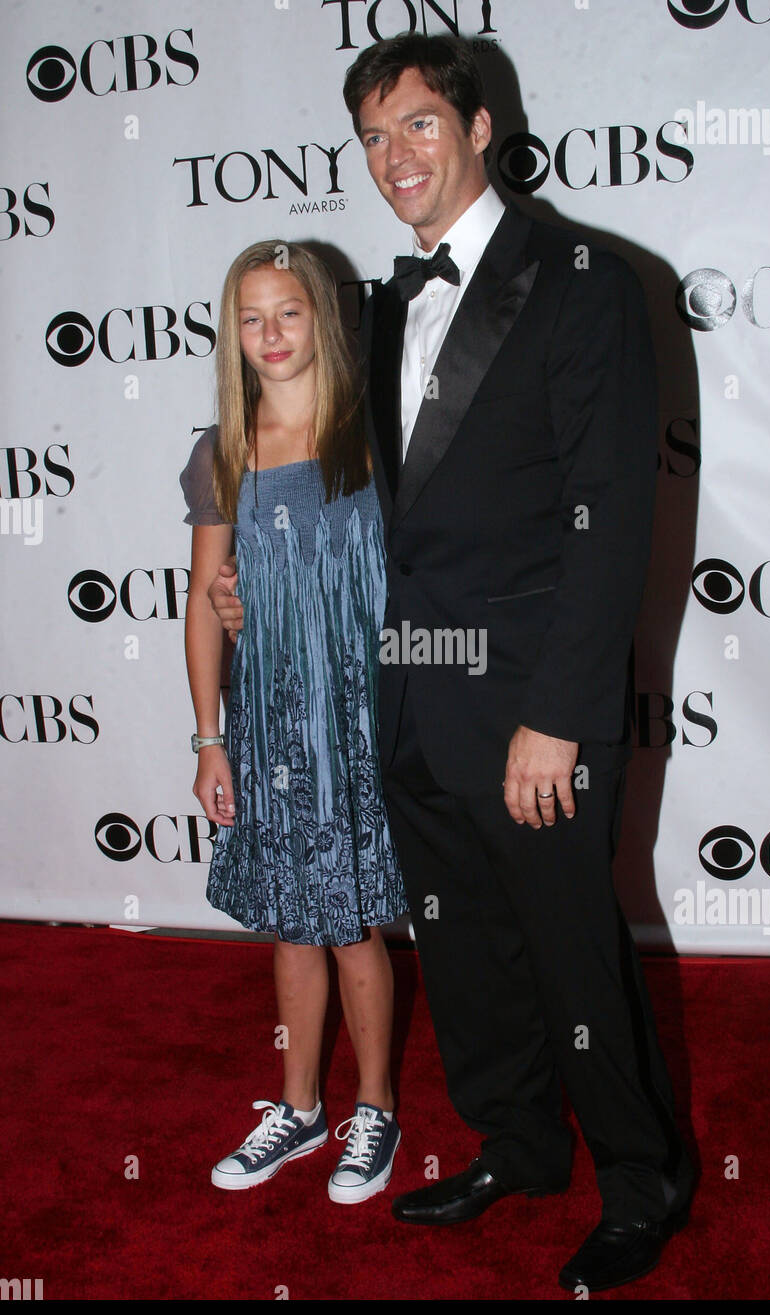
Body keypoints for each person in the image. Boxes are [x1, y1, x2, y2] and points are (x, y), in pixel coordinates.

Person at [209, 35, 694, 1293]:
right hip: (404, 699)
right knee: (467, 950)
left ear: (481, 128)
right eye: (372, 138)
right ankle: (516, 1145)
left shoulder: (586, 279)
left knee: (574, 949)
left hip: (528, 705)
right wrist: (233, 576)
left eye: (418, 125)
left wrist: (560, 713)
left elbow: (610, 515)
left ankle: (641, 1183)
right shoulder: (372, 305)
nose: (394, 158)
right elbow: (304, 474)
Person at [180, 239, 407, 1204]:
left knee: (354, 924)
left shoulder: (374, 431)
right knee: (291, 925)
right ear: (231, 333)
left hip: (360, 721)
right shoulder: (222, 451)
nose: (270, 336)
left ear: (323, 317)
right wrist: (208, 738)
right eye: (249, 317)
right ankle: (300, 1107)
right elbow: (204, 596)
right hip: (269, 726)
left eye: (288, 313)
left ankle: (377, 1111)